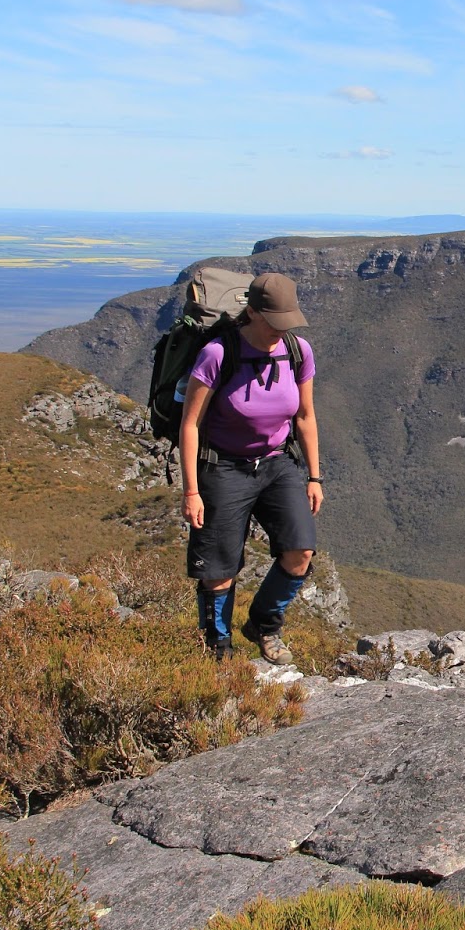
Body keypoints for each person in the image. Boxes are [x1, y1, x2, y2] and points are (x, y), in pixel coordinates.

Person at [179, 271, 323, 662]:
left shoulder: (297, 351)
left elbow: (305, 416)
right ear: (253, 312)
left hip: (277, 463)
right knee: (219, 569)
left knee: (300, 551)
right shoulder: (218, 354)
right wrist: (191, 491)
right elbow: (190, 425)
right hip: (224, 466)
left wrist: (314, 476)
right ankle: (218, 648)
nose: (282, 329)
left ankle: (263, 624)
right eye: (275, 321)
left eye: (288, 321)